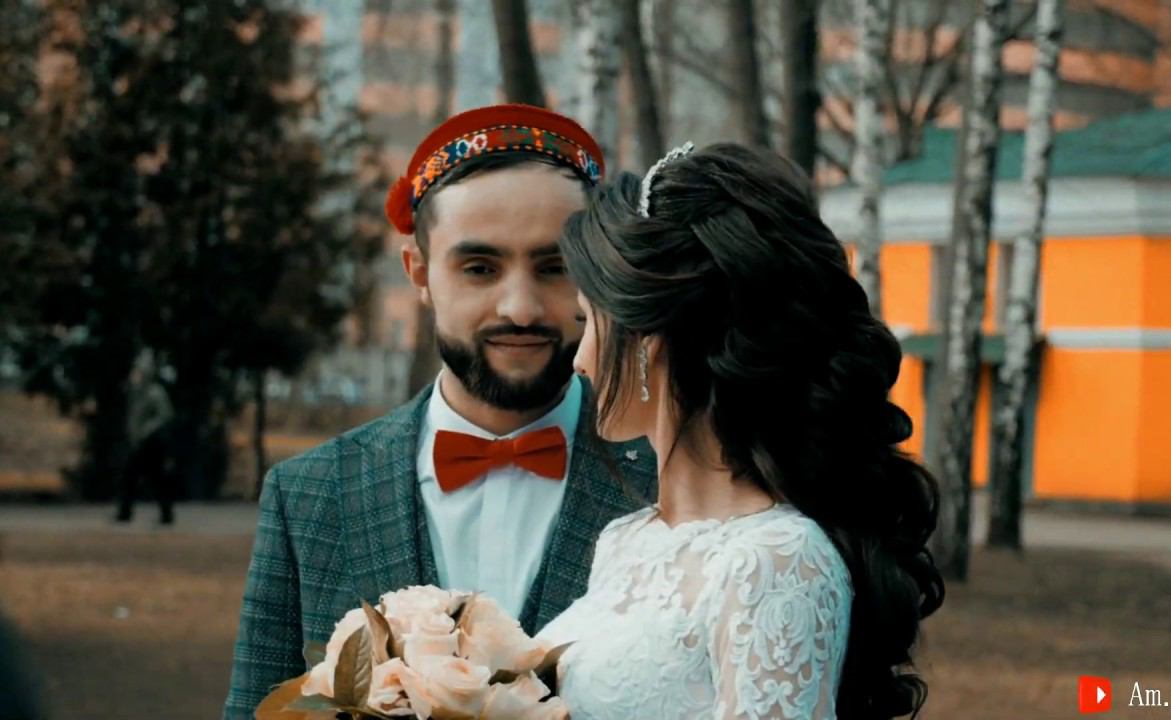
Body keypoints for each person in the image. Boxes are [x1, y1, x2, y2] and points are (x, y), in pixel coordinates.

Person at [221, 104, 657, 719]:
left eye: (555, 268)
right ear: (419, 273)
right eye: (480, 268)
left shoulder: (672, 479)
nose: (520, 308)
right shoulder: (310, 495)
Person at [536, 142, 945, 719]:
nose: (579, 360)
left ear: (648, 341)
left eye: (590, 322)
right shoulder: (626, 540)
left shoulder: (778, 560)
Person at [116, 352, 176, 525]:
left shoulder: (155, 393)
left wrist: (147, 430)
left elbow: (165, 415)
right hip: (138, 443)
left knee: (157, 478)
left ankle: (166, 514)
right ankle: (125, 512)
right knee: (129, 477)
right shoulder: (135, 393)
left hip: (151, 444)